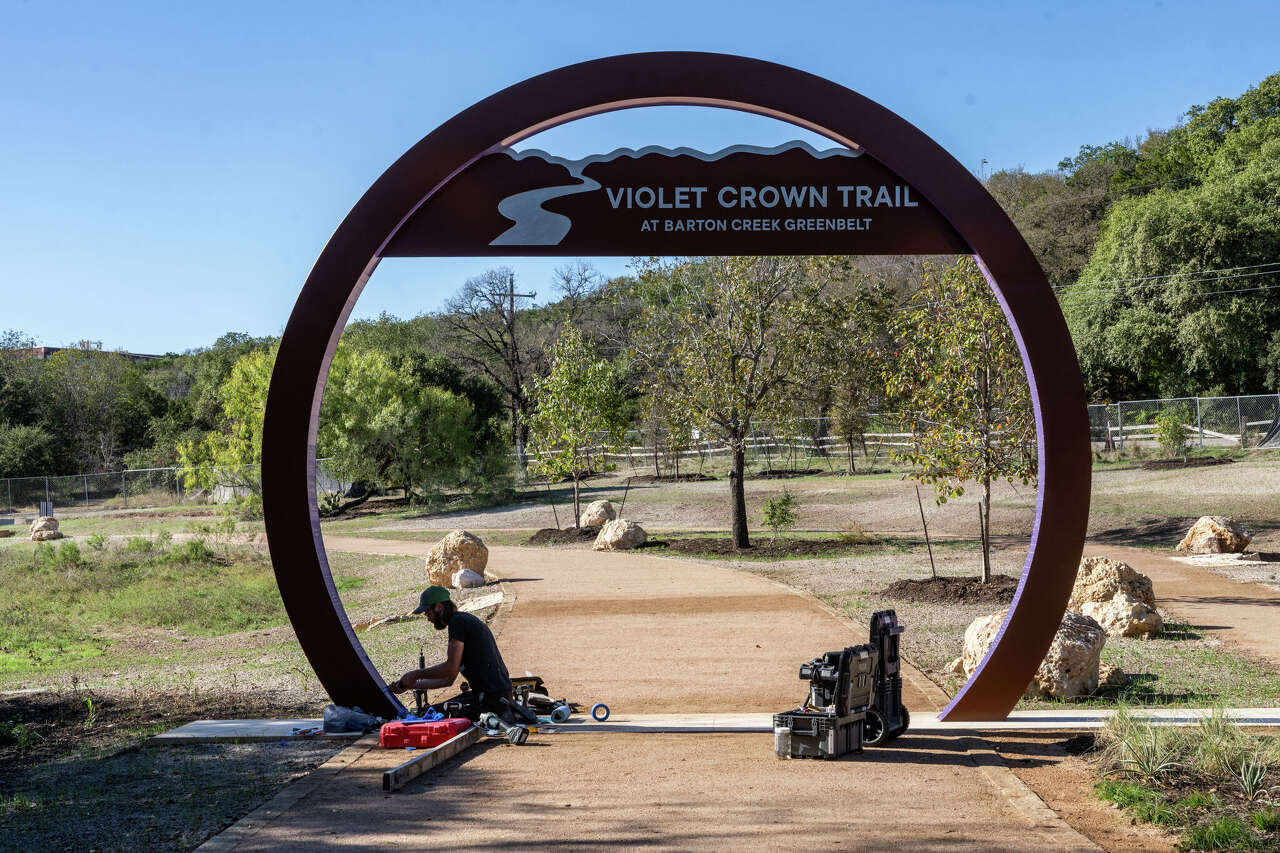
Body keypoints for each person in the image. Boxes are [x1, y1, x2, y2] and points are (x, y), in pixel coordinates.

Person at [388, 586, 515, 722]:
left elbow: (450, 668)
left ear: (438, 607)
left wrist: (416, 674)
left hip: (492, 701)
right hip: (498, 697)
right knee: (432, 711)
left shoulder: (457, 622)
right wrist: (411, 684)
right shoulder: (464, 620)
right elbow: (448, 680)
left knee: (428, 716)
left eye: (427, 613)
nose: (428, 618)